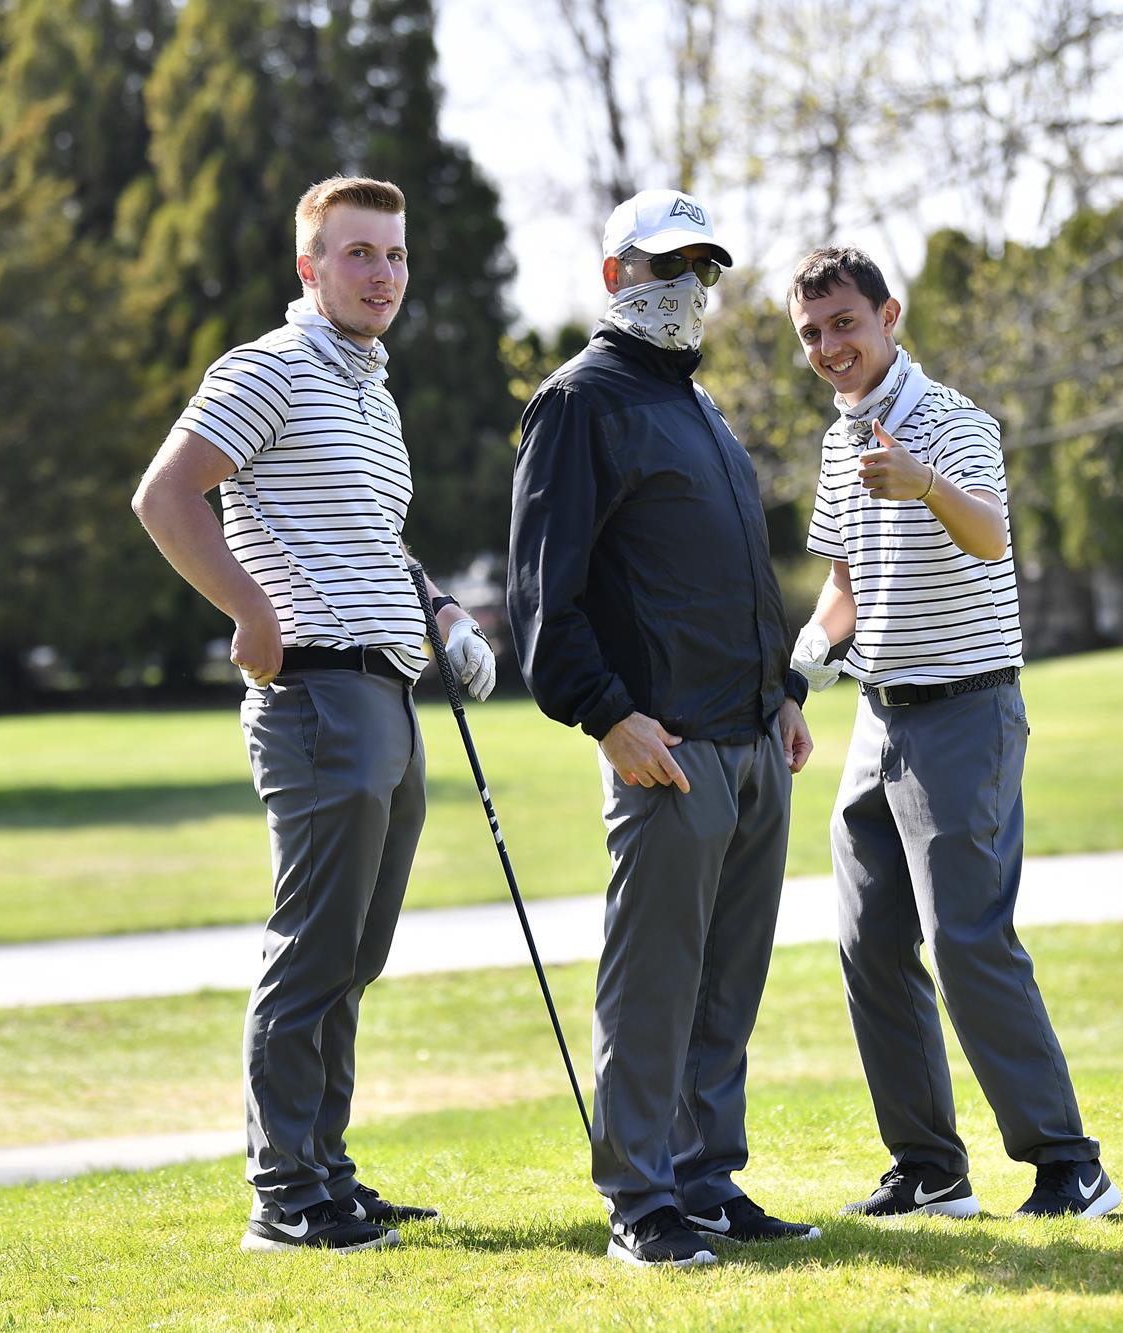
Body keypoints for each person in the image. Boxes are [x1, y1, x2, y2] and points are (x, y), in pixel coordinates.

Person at [131, 175, 496, 1254]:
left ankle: (326, 1168)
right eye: (358, 253)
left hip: (386, 689)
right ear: (310, 266)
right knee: (313, 945)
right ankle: (284, 1192)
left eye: (395, 255)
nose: (382, 274)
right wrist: (248, 609)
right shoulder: (269, 368)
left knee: (355, 949)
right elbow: (166, 495)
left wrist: (441, 609)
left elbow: (368, 539)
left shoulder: (372, 394)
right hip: (317, 693)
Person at [507, 188, 820, 1267]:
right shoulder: (576, 403)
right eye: (665, 264)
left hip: (750, 736)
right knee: (652, 987)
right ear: (615, 276)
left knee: (727, 986)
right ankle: (640, 1201)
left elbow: (735, 577)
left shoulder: (700, 404)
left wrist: (782, 692)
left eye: (702, 266)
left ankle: (705, 1179)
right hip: (665, 749)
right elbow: (544, 597)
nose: (689, 285)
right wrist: (607, 717)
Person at [784, 246, 1121, 1220]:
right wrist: (795, 676)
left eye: (844, 323)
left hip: (966, 712)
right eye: (811, 333)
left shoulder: (951, 421)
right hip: (877, 717)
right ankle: (930, 1168)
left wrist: (922, 480)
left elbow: (989, 534)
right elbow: (844, 591)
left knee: (968, 943)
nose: (829, 347)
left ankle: (1069, 1164)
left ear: (888, 316)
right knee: (868, 944)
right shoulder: (837, 441)